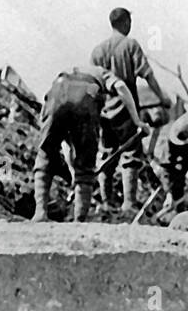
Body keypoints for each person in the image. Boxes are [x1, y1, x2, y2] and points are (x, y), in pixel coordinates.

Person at [33, 67, 143, 222]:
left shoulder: (73, 70)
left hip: (57, 93)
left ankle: (40, 213)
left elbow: (68, 145)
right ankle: (79, 220)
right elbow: (120, 87)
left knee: (45, 156)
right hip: (86, 96)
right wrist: (137, 120)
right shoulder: (102, 73)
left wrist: (72, 171)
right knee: (85, 167)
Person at [91, 7, 169, 212]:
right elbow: (147, 74)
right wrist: (162, 97)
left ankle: (106, 202)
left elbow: (92, 81)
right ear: (125, 23)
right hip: (127, 109)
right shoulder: (130, 45)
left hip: (104, 110)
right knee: (131, 154)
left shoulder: (98, 50)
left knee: (107, 153)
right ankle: (129, 203)